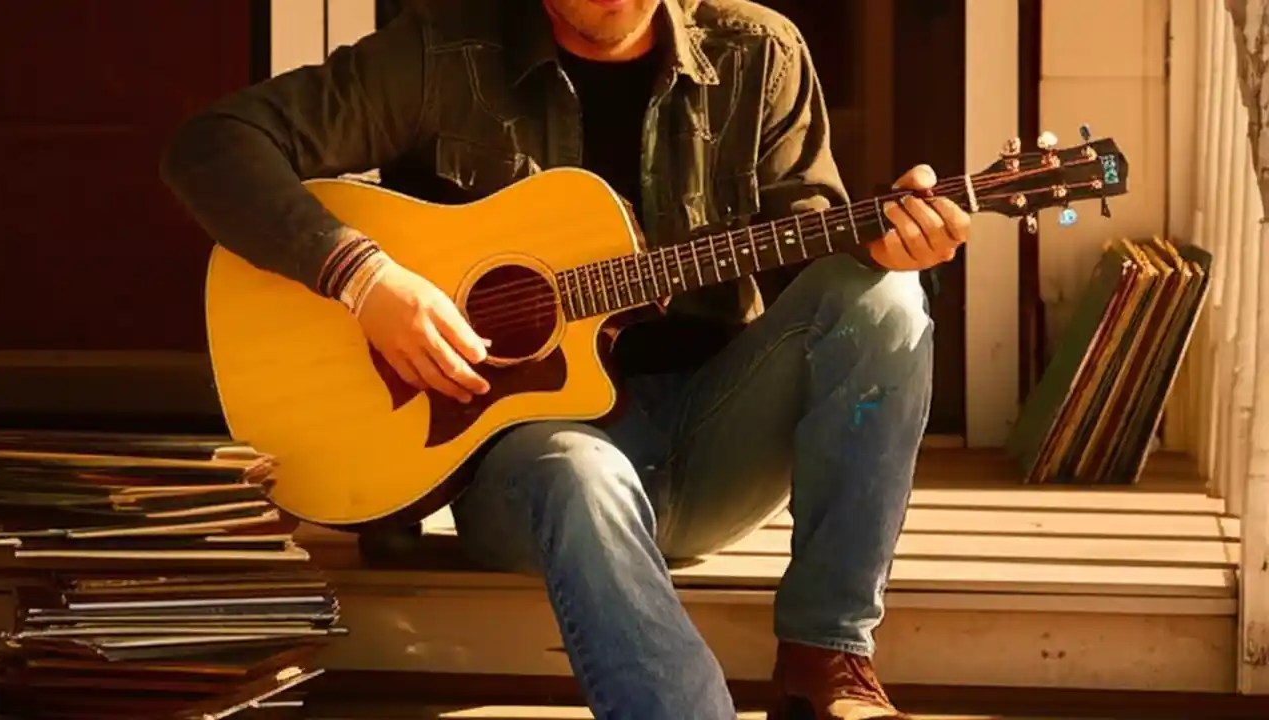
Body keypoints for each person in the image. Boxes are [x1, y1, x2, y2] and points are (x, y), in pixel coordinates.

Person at [161, 0, 968, 717]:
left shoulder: (759, 53)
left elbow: (811, 260)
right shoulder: (442, 50)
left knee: (882, 299)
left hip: (715, 440)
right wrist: (365, 279)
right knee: (580, 469)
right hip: (537, 473)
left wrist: (886, 247)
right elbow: (213, 146)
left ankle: (826, 660)